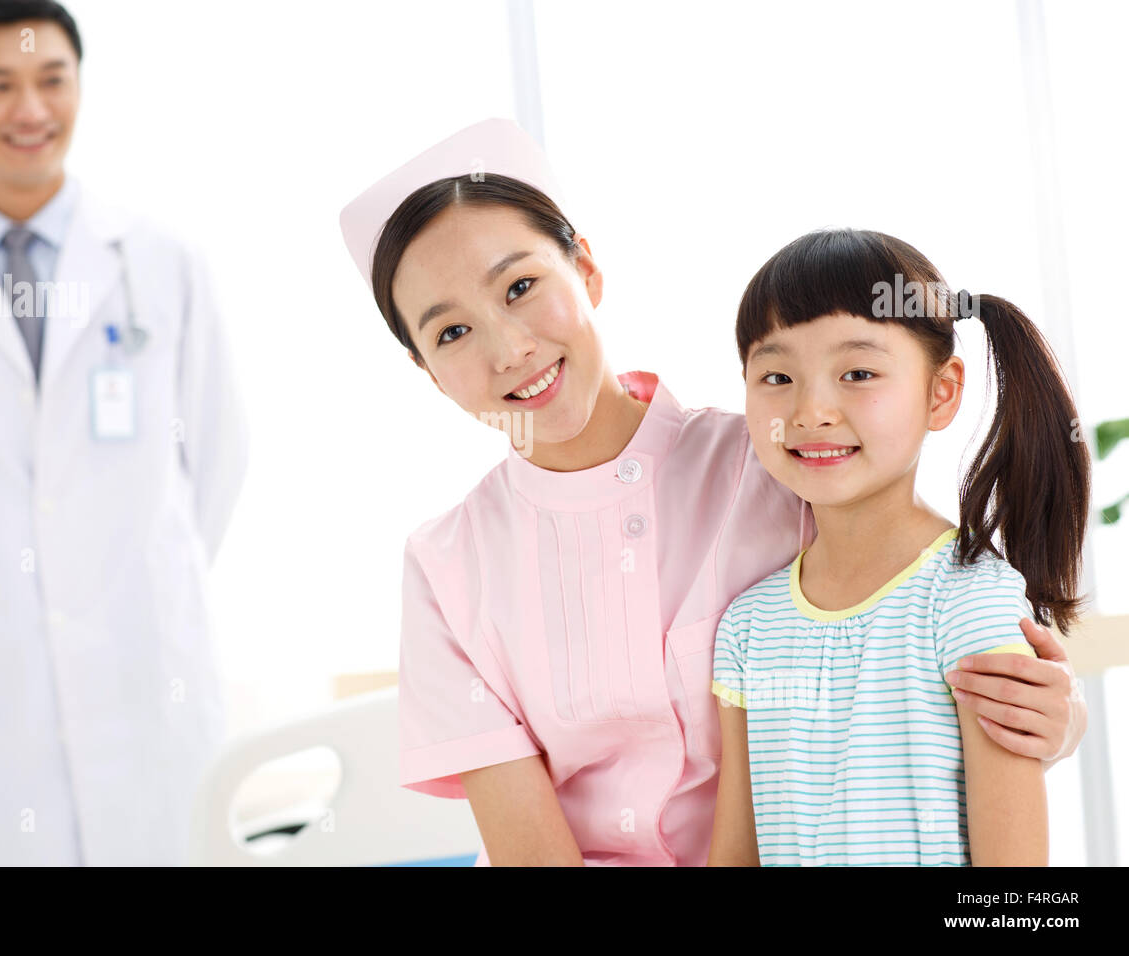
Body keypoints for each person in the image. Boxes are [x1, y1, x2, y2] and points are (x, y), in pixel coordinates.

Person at [338, 119, 1086, 866]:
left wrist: (1049, 715)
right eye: (451, 334)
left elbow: (913, 621)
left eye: (522, 286)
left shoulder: (780, 458)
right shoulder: (444, 567)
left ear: (587, 270)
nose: (508, 349)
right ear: (428, 372)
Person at [0, 0, 248, 865]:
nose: (30, 109)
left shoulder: (162, 263)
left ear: (78, 87)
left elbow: (217, 456)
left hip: (145, 670)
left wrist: (132, 573)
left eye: (51, 80)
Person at [708, 229, 1089, 865]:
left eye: (858, 372)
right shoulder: (746, 629)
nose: (811, 410)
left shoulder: (968, 600)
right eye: (777, 375)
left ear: (941, 392)